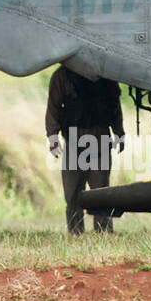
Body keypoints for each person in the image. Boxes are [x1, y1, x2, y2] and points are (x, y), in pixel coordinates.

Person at [45, 65, 124, 235]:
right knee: (72, 192)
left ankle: (104, 232)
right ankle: (75, 232)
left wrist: (120, 133)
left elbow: (114, 105)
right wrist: (52, 136)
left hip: (100, 139)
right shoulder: (62, 76)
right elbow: (54, 106)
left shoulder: (106, 75)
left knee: (101, 191)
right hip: (73, 141)